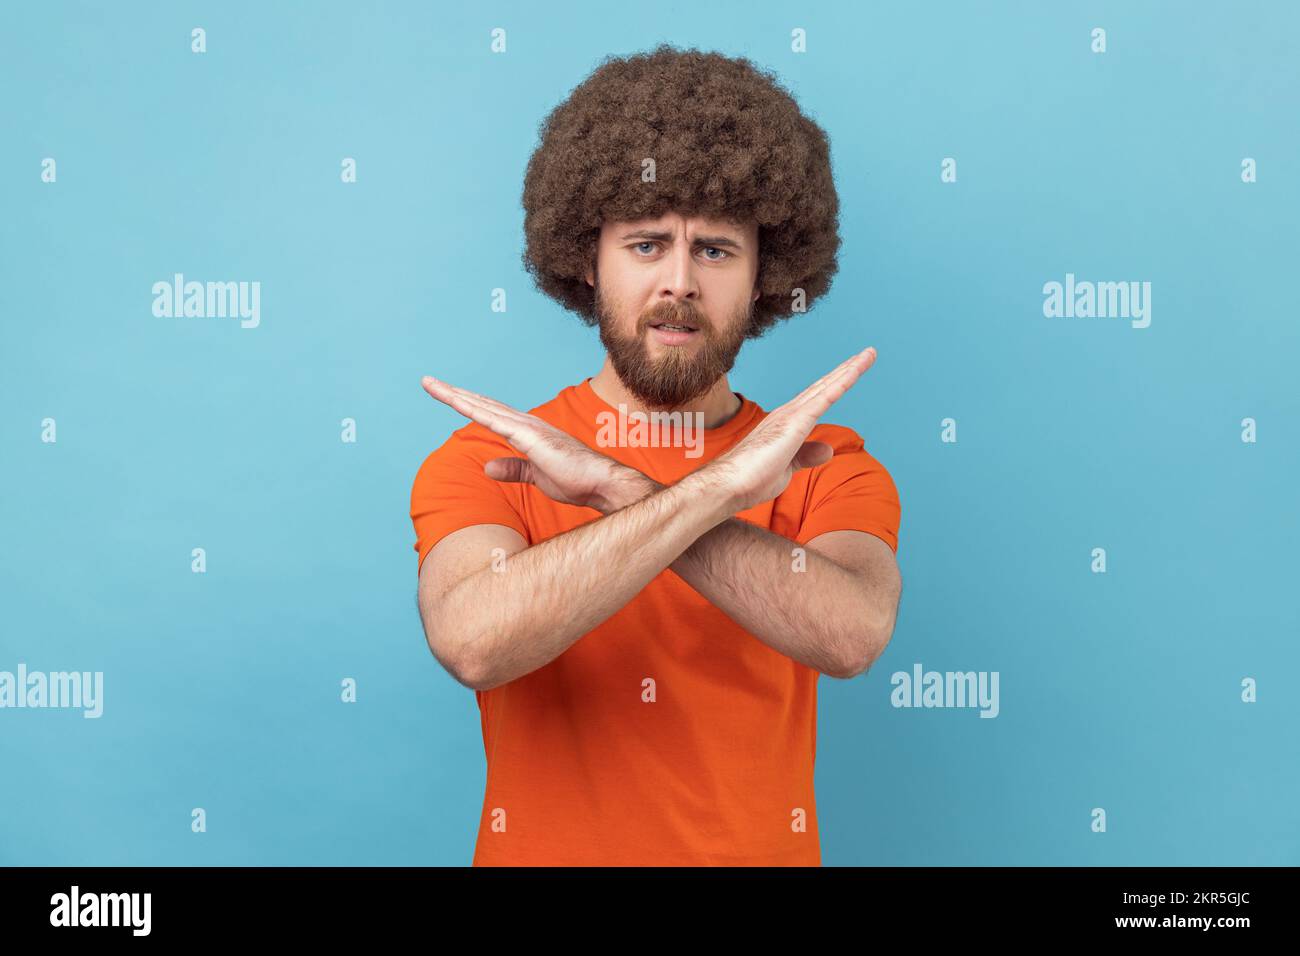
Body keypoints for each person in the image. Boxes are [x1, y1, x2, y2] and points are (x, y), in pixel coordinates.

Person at [409, 44, 902, 866]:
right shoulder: (492, 460)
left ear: (764, 278)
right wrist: (710, 492)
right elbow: (473, 642)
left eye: (715, 250)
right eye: (645, 245)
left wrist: (623, 494)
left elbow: (850, 635)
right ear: (587, 263)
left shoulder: (824, 462)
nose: (679, 282)